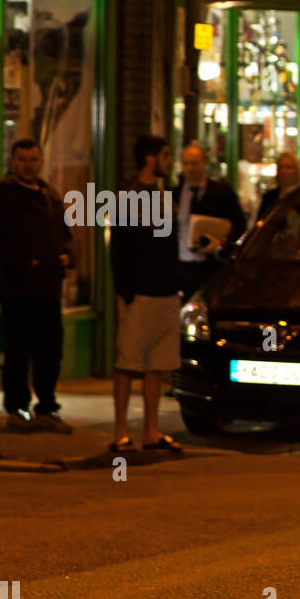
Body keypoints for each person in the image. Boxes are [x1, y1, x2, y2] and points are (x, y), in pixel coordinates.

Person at [0, 138, 74, 433]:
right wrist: (23, 262)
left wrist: (65, 256)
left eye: (33, 159)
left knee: (48, 351)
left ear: (40, 161)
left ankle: (47, 406)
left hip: (47, 289)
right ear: (13, 162)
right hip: (18, 290)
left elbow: (64, 234)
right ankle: (17, 407)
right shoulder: (4, 197)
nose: (28, 165)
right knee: (18, 351)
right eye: (22, 159)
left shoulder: (50, 195)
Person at [110, 136, 183, 454]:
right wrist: (125, 289)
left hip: (165, 289)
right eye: (165, 155)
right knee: (129, 362)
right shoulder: (130, 195)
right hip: (139, 291)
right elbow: (121, 246)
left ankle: (151, 431)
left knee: (155, 364)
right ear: (151, 159)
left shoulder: (166, 194)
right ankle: (120, 431)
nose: (169, 161)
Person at [174, 143, 246, 299]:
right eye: (186, 163)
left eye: (194, 163)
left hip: (209, 267)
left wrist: (221, 242)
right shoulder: (174, 193)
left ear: (204, 164)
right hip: (180, 266)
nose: (190, 168)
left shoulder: (222, 193)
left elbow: (239, 224)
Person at [255, 151, 300, 224]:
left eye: (289, 167)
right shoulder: (269, 198)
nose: (284, 171)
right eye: (281, 167)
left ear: (296, 170)